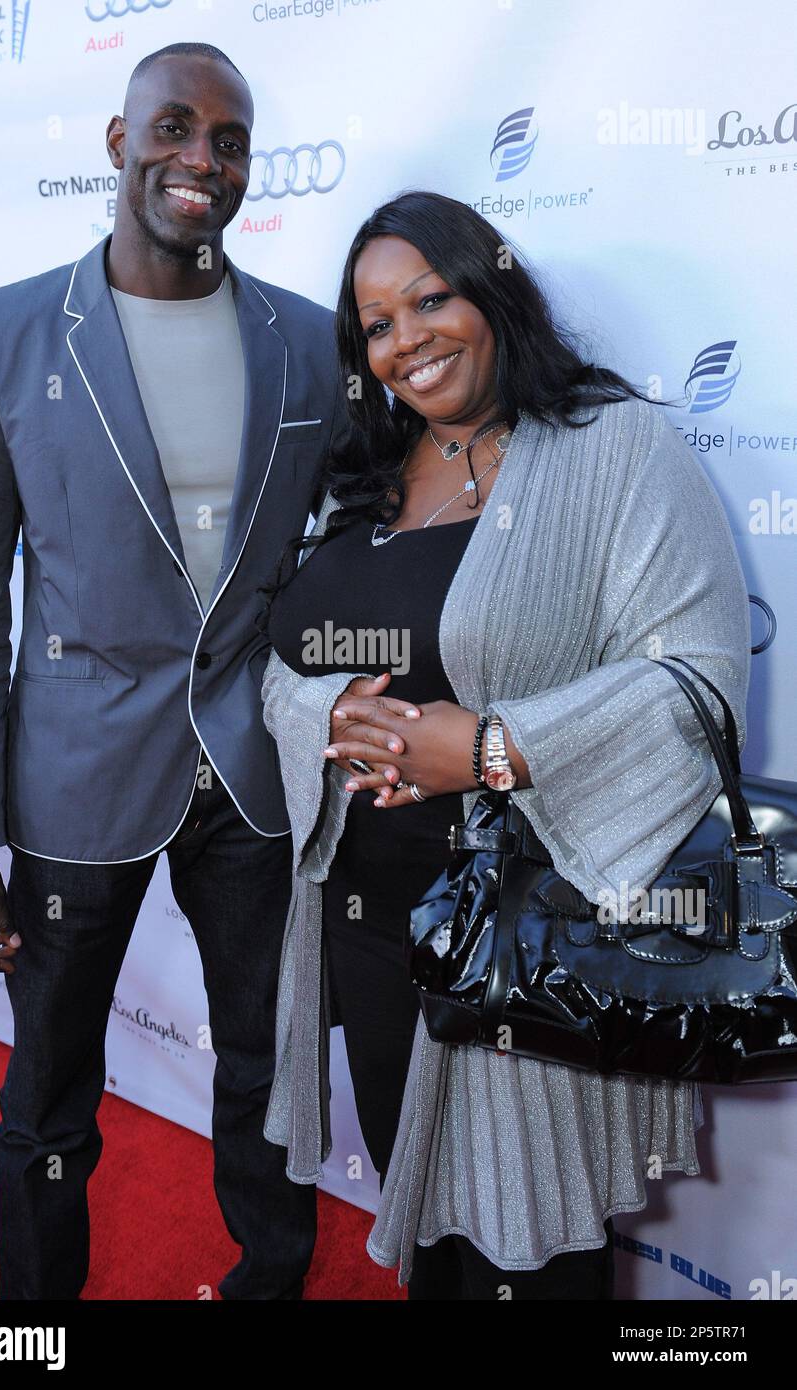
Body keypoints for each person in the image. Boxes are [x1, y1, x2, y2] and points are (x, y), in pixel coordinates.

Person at [258, 190, 751, 1299]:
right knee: (425, 1233)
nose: (407, 339)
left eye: (430, 298)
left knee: (531, 1258)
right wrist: (325, 713)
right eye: (376, 324)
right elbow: (273, 661)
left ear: (493, 289)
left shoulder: (612, 447)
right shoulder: (357, 477)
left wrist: (491, 748)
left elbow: (699, 676)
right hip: (370, 929)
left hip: (530, 928)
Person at [0, 42, 349, 1300]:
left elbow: (354, 545)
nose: (199, 160)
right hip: (73, 779)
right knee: (48, 1091)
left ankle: (268, 1283)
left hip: (255, 776)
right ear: (119, 145)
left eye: (228, 142)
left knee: (268, 1074)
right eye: (173, 128)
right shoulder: (0, 336)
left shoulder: (311, 346)